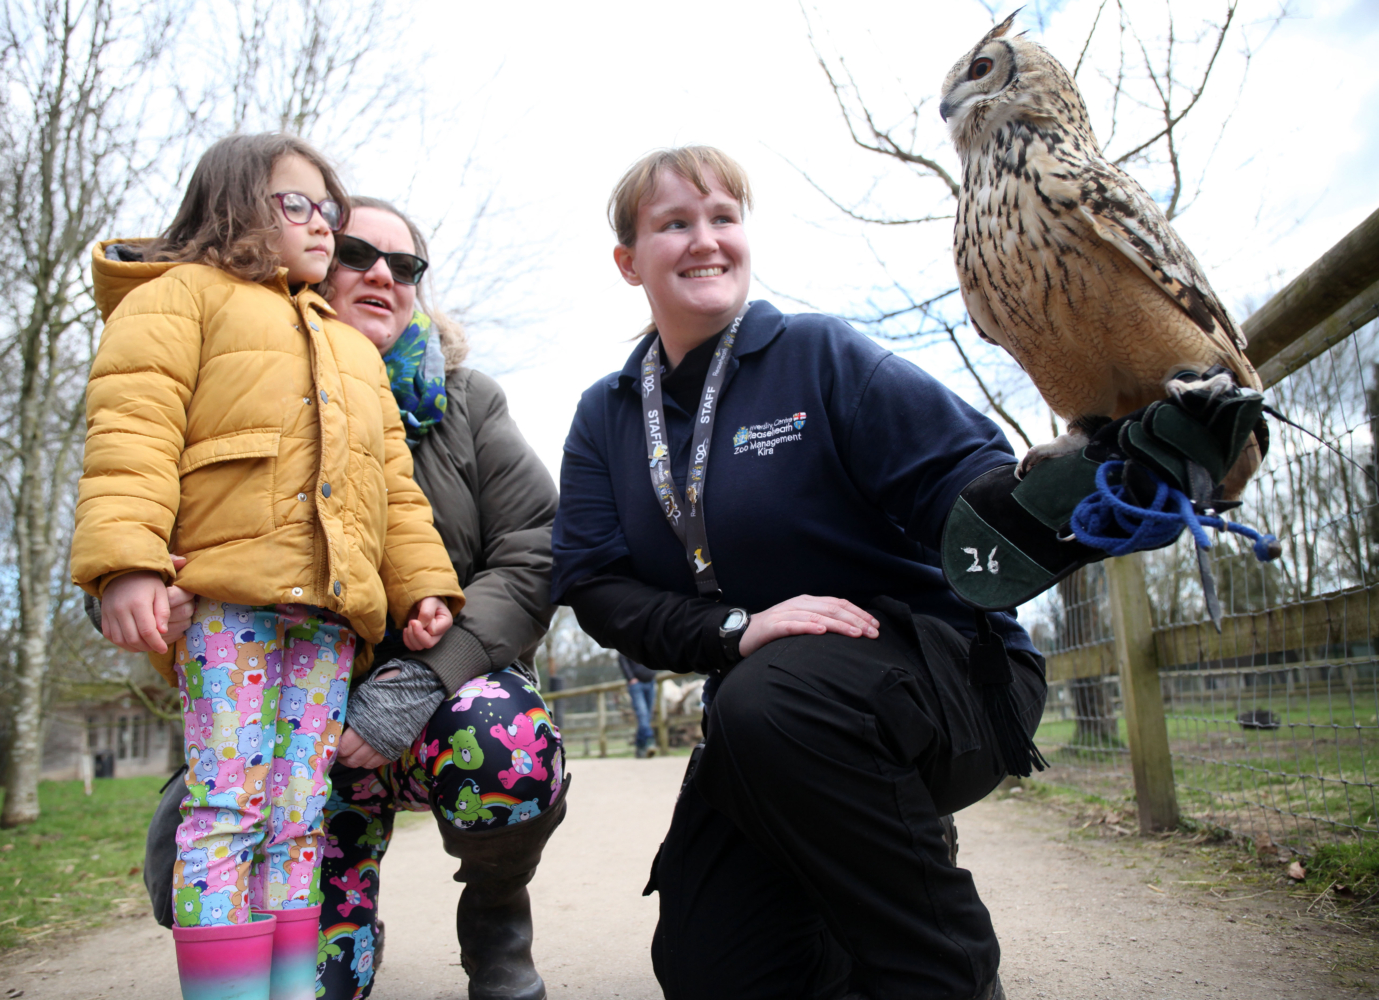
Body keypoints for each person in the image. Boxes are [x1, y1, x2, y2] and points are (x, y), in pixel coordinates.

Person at [551, 146, 1047, 1000]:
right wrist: (734, 629)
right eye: (674, 223)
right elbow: (596, 584)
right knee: (712, 969)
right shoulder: (607, 415)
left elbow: (958, 478)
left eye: (723, 218)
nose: (706, 240)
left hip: (941, 675)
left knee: (773, 700)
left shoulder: (816, 353)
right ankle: (850, 884)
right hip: (766, 719)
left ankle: (943, 972)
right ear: (629, 262)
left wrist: (1067, 495)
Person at [71, 133, 464, 1000]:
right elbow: (131, 439)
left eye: (329, 207)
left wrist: (424, 585)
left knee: (297, 815)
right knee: (227, 807)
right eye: (300, 206)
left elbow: (391, 490)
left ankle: (288, 988)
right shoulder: (177, 300)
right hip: (228, 604)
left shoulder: (353, 351)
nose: (323, 224)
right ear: (234, 205)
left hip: (327, 620)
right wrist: (126, 566)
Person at [312, 197, 565, 1000]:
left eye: (406, 264)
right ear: (313, 260)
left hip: (447, 692)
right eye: (356, 252)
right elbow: (163, 545)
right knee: (197, 857)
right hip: (298, 706)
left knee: (503, 745)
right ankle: (340, 926)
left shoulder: (467, 400)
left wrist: (426, 676)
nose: (383, 274)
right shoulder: (249, 388)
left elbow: (535, 548)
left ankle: (496, 921)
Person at [617, 652, 657, 757]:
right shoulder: (626, 639)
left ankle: (640, 748)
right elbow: (622, 658)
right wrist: (630, 678)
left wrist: (653, 673)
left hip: (650, 681)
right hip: (636, 684)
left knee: (647, 716)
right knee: (642, 714)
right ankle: (650, 740)